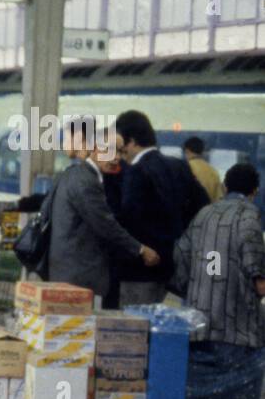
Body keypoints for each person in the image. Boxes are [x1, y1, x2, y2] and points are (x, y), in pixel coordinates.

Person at [172, 163, 265, 399]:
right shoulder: (249, 216)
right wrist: (259, 283)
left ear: (225, 187)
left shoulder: (205, 212)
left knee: (194, 357)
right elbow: (254, 259)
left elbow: (182, 252)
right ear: (254, 191)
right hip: (236, 308)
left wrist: (190, 287)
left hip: (199, 304)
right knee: (257, 345)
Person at [47, 117, 158, 307]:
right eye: (110, 150)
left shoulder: (78, 174)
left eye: (121, 152)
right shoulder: (86, 181)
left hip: (71, 272)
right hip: (80, 277)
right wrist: (140, 249)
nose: (117, 158)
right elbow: (105, 224)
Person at [114, 109, 210, 306]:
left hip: (139, 269)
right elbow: (203, 205)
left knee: (137, 328)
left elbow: (129, 218)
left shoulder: (136, 172)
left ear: (131, 141)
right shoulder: (179, 166)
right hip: (173, 267)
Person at [183, 136, 224, 204]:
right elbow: (218, 199)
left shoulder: (184, 168)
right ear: (202, 151)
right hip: (208, 212)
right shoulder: (213, 171)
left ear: (187, 150)